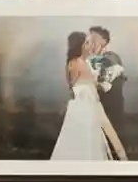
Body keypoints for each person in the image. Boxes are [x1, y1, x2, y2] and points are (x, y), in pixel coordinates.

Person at [51, 31, 127, 161]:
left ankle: (122, 158)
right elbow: (74, 86)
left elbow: (92, 81)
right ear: (79, 45)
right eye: (86, 43)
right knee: (82, 136)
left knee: (102, 133)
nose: (89, 46)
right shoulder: (74, 63)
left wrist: (102, 82)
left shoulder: (88, 62)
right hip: (83, 106)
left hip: (93, 104)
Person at [87, 26, 127, 145]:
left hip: (110, 108)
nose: (90, 45)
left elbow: (105, 85)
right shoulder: (92, 60)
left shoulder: (111, 59)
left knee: (111, 142)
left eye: (94, 41)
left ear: (104, 42)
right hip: (97, 108)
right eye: (89, 41)